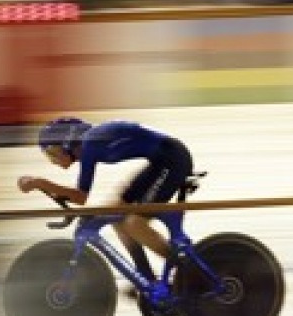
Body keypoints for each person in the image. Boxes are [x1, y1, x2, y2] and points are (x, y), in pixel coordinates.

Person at [19, 117, 194, 291]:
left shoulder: (89, 145)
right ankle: (147, 280)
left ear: (66, 142)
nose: (54, 159)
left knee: (135, 224)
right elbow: (79, 196)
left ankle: (188, 271)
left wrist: (40, 183)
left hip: (172, 160)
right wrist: (46, 188)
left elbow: (80, 197)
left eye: (53, 152)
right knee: (115, 216)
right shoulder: (91, 141)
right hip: (164, 160)